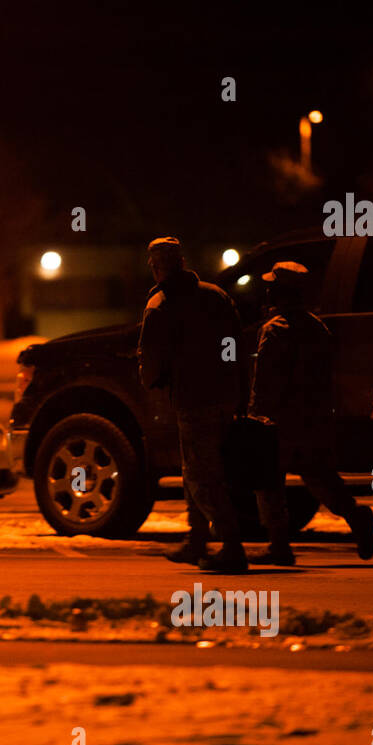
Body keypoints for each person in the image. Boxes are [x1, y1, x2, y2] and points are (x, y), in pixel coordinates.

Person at [249, 262, 373, 565]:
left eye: (272, 285)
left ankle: (279, 544)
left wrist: (255, 418)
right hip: (313, 417)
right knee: (318, 475)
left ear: (279, 291)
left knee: (269, 481)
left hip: (279, 418)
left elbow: (264, 381)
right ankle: (354, 514)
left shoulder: (275, 330)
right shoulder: (318, 328)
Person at [137, 236, 247, 573]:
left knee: (200, 474)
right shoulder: (216, 296)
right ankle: (198, 538)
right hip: (224, 396)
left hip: (192, 399)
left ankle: (231, 546)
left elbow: (151, 361)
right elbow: (236, 346)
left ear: (157, 267)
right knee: (206, 470)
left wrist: (153, 381)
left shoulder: (161, 304)